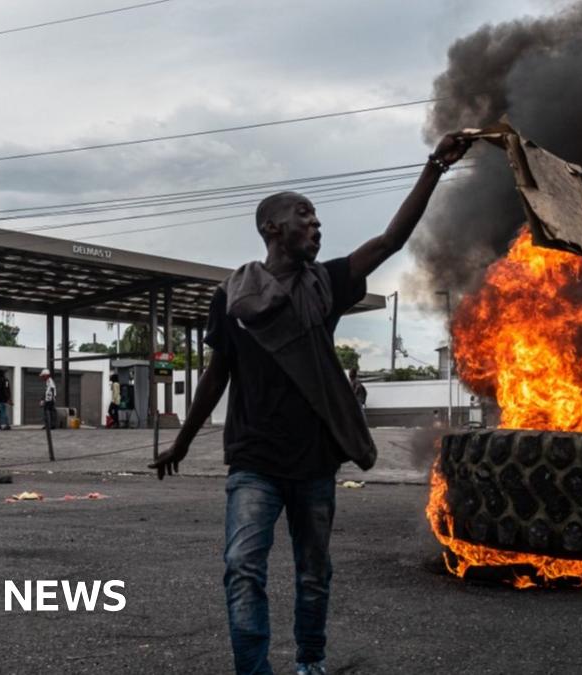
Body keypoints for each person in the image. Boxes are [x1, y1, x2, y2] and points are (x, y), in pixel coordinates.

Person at [149, 133, 471, 675]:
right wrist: (181, 440)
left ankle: (311, 663)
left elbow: (391, 240)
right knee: (241, 568)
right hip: (254, 461)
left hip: (315, 463)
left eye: (319, 220)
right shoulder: (232, 296)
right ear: (272, 228)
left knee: (313, 573)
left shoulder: (327, 284)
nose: (316, 227)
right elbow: (217, 373)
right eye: (306, 217)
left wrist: (434, 167)